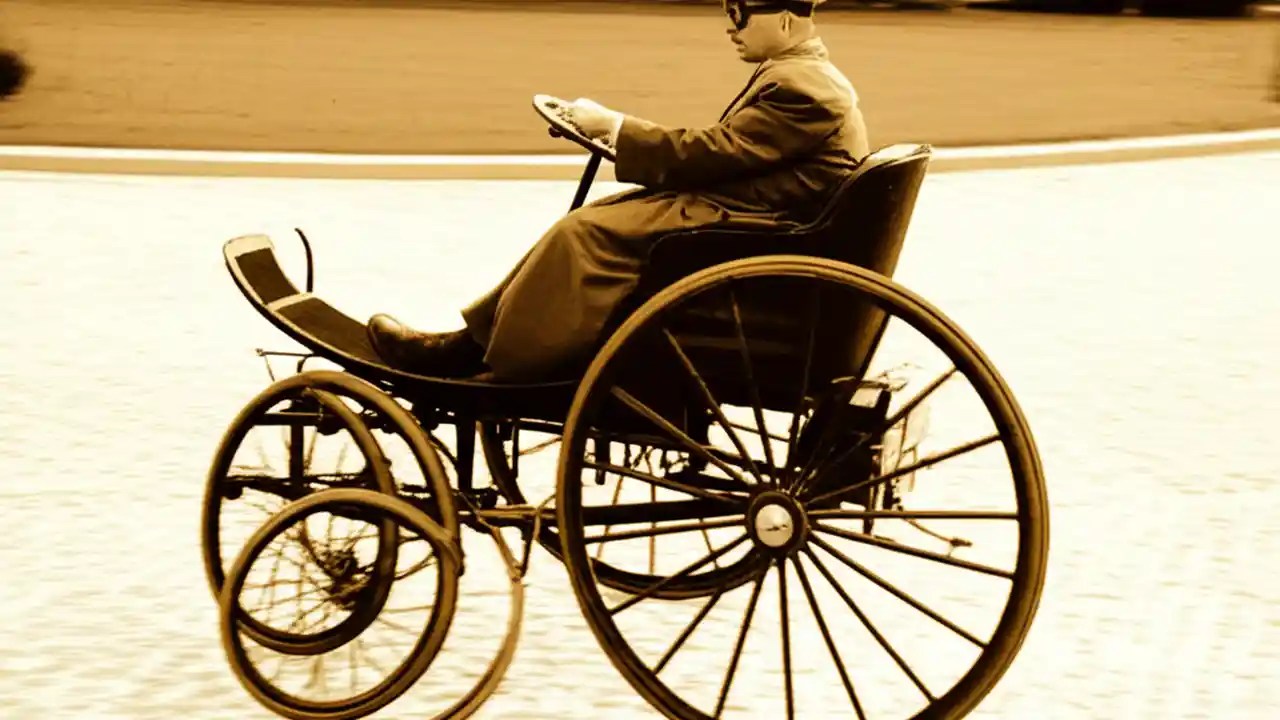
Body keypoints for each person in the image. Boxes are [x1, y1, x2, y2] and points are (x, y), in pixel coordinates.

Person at [367, 0, 869, 382]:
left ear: (784, 19)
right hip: (756, 220)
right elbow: (729, 155)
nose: (729, 25)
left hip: (754, 230)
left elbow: (713, 153)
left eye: (738, 12)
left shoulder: (803, 87)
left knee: (583, 232)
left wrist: (614, 126)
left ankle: (503, 359)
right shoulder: (801, 74)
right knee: (600, 216)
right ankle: (479, 342)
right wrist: (616, 134)